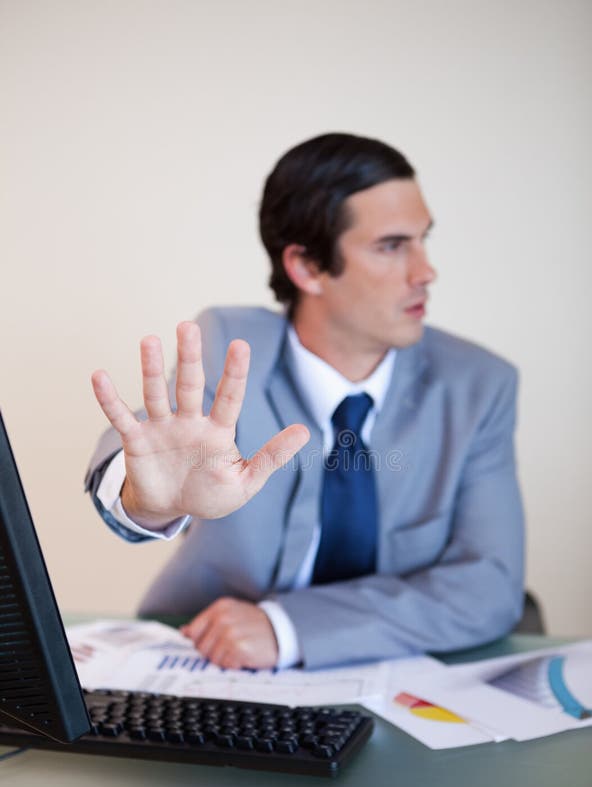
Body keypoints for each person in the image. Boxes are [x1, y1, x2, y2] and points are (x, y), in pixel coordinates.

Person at [86, 132, 525, 671]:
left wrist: (286, 627)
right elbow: (143, 454)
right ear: (306, 267)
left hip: (395, 670)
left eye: (422, 239)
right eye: (392, 246)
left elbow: (490, 585)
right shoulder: (229, 344)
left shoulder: (479, 385)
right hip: (208, 659)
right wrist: (149, 501)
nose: (425, 271)